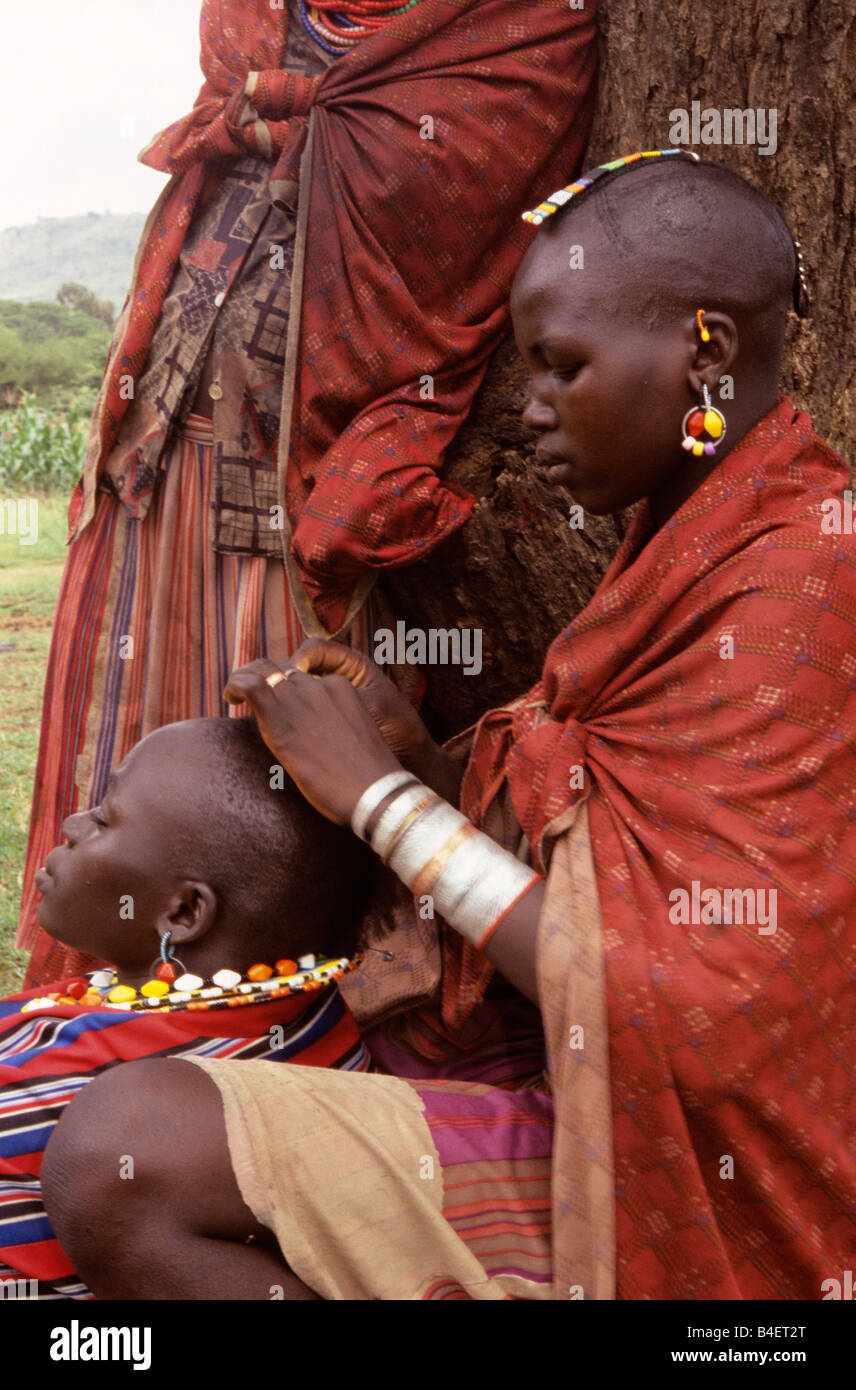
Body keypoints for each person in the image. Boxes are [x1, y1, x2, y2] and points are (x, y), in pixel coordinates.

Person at [42, 151, 856, 1301]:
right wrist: (424, 756)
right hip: (577, 1096)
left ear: (705, 352)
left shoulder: (801, 585)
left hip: (703, 1190)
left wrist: (382, 798)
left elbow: (691, 1005)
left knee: (126, 1153)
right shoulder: (697, 541)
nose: (526, 410)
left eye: (559, 367)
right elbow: (606, 833)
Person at [18, 0, 599, 986]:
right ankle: (120, 994)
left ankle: (254, 1036)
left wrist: (316, 120)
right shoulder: (258, 16)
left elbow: (452, 190)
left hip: (299, 491)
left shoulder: (517, 25)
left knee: (267, 781)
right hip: (161, 471)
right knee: (146, 752)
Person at [1, 716, 374, 1298]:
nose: (73, 824)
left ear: (180, 915)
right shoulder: (310, 1014)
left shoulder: (40, 1080)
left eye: (104, 819)